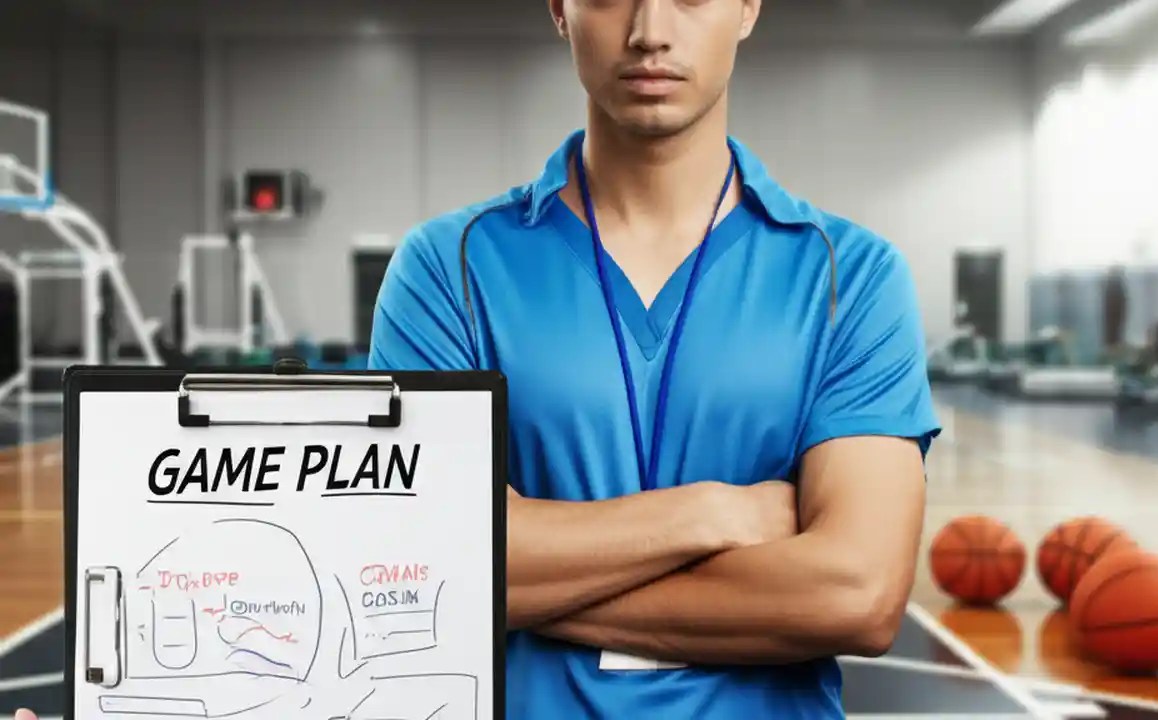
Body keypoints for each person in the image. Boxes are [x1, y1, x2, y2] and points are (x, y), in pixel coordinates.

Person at [11, 2, 939, 719]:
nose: (651, 29)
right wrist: (713, 513)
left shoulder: (845, 276)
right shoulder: (448, 266)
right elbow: (411, 563)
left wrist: (514, 578)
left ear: (748, 5)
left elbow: (854, 594)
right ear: (558, 6)